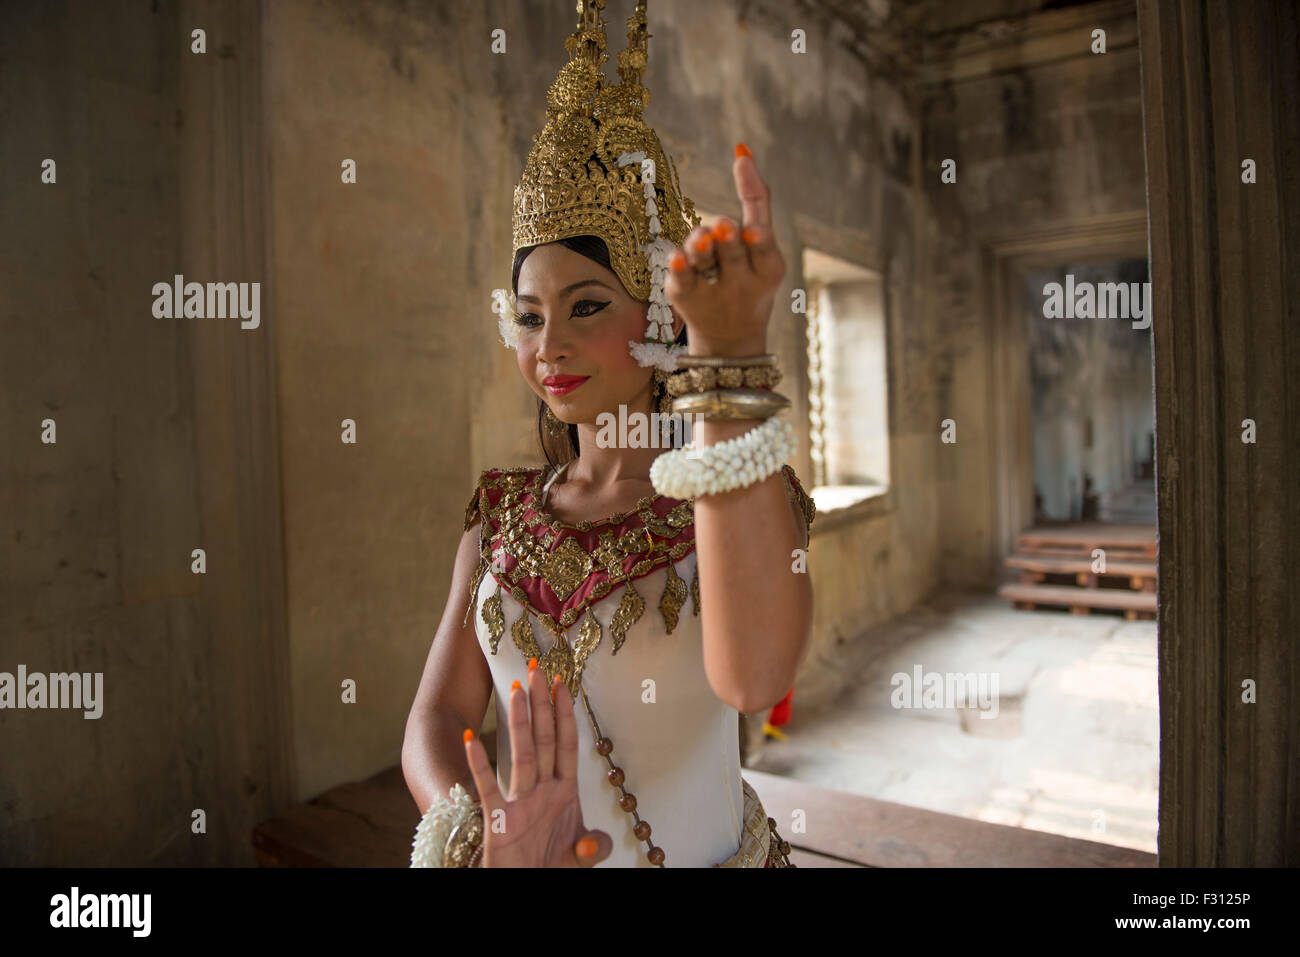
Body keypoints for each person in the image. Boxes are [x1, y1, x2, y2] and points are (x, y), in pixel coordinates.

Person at [402, 0, 815, 868]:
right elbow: (437, 719)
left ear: (660, 311)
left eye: (586, 306)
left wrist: (730, 356)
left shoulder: (733, 493)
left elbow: (756, 681)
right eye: (528, 315)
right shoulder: (501, 511)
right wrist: (484, 835)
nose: (548, 344)